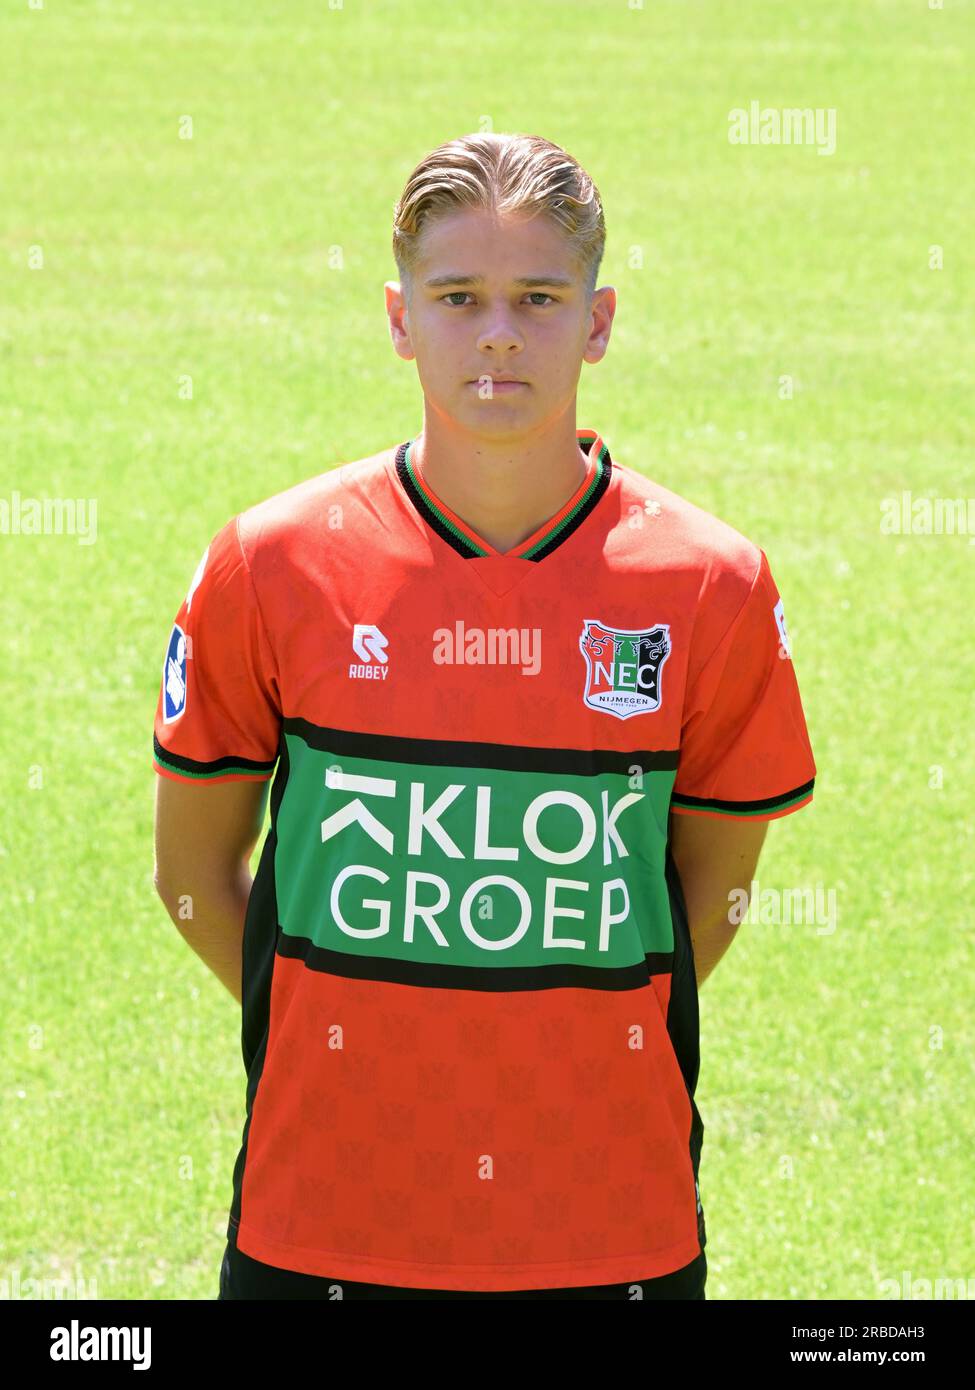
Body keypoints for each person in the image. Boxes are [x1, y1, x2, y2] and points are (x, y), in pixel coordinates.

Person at [152, 132, 815, 1300]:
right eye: (459, 297)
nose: (498, 332)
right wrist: (360, 1023)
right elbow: (196, 872)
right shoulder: (274, 563)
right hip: (325, 1212)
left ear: (598, 321)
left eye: (538, 298)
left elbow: (706, 895)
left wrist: (549, 1024)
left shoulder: (708, 583)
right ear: (401, 318)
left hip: (611, 1219)